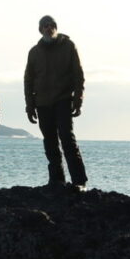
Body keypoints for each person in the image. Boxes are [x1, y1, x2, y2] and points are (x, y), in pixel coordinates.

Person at [24, 14, 87, 189]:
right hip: (42, 102)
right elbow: (28, 80)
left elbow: (78, 75)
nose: (48, 28)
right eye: (45, 25)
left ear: (56, 27)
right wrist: (30, 106)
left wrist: (78, 99)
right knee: (49, 141)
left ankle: (79, 181)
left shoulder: (68, 46)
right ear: (40, 29)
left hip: (63, 99)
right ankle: (57, 180)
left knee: (67, 138)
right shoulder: (34, 52)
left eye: (51, 25)